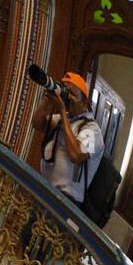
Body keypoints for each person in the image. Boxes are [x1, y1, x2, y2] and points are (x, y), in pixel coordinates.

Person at [34, 72, 104, 208]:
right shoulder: (66, 119)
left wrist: (61, 110)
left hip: (66, 201)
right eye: (66, 92)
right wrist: (47, 100)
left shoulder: (92, 129)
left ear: (85, 101)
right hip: (46, 189)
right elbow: (38, 124)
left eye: (72, 93)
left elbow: (76, 154)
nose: (68, 97)